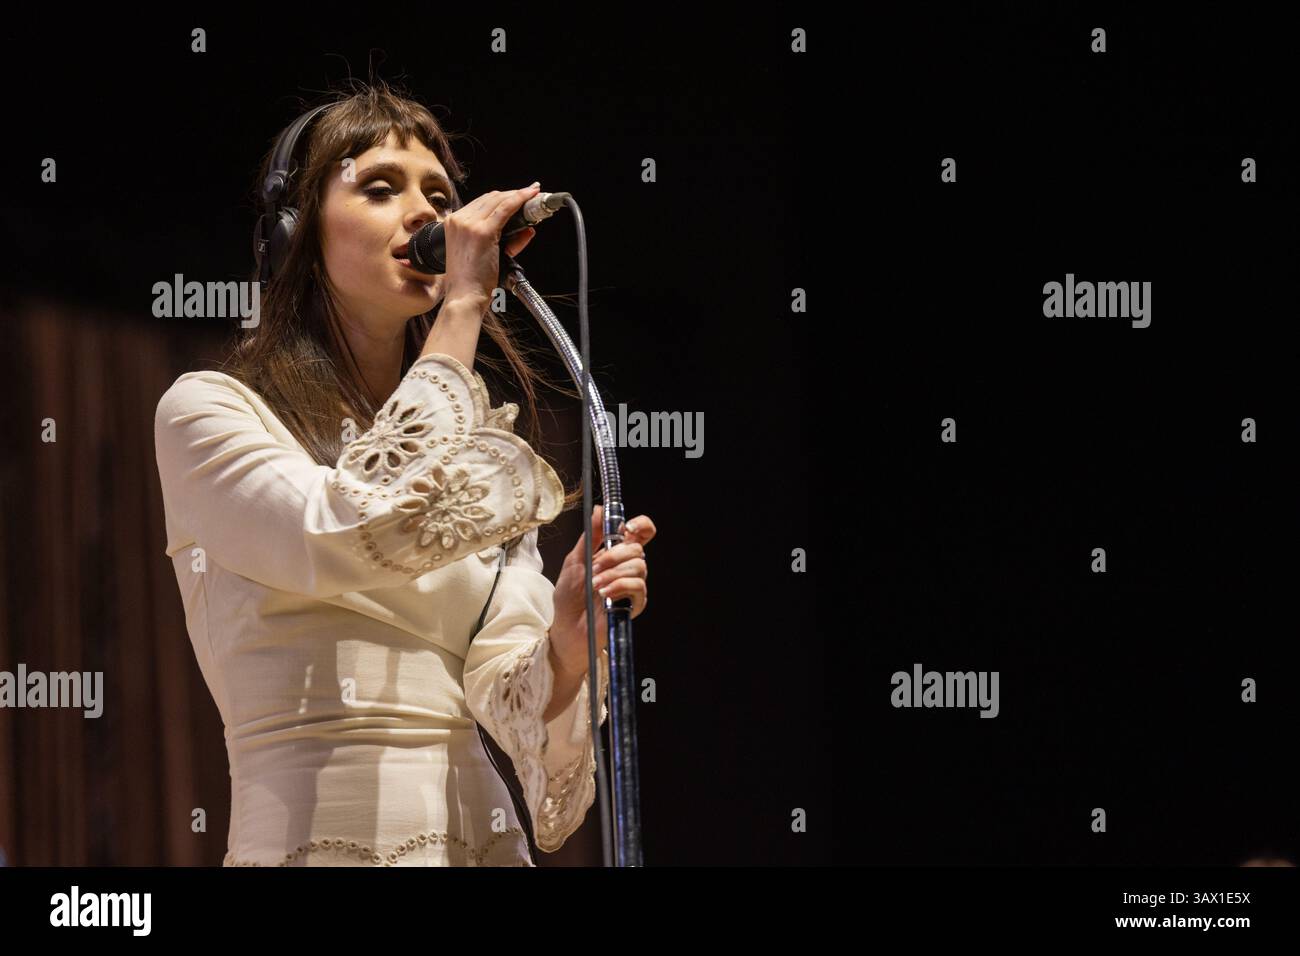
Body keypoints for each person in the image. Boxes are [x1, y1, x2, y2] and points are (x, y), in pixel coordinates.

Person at [153, 81, 654, 866]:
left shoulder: (477, 455)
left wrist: (564, 642)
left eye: (441, 195)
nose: (428, 216)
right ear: (293, 233)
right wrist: (460, 310)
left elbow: (525, 734)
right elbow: (343, 529)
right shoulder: (208, 413)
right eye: (380, 188)